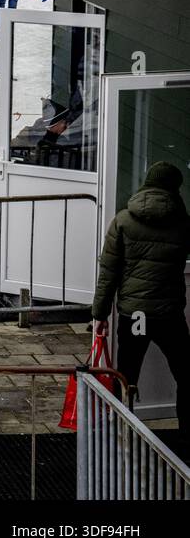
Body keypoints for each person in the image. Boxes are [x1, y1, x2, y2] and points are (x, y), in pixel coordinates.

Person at [92, 161, 190, 427]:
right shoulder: (183, 224)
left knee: (127, 374)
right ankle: (185, 437)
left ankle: (122, 427)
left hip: (135, 314)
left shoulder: (123, 220)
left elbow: (109, 271)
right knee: (185, 373)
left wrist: (100, 314)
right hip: (168, 315)